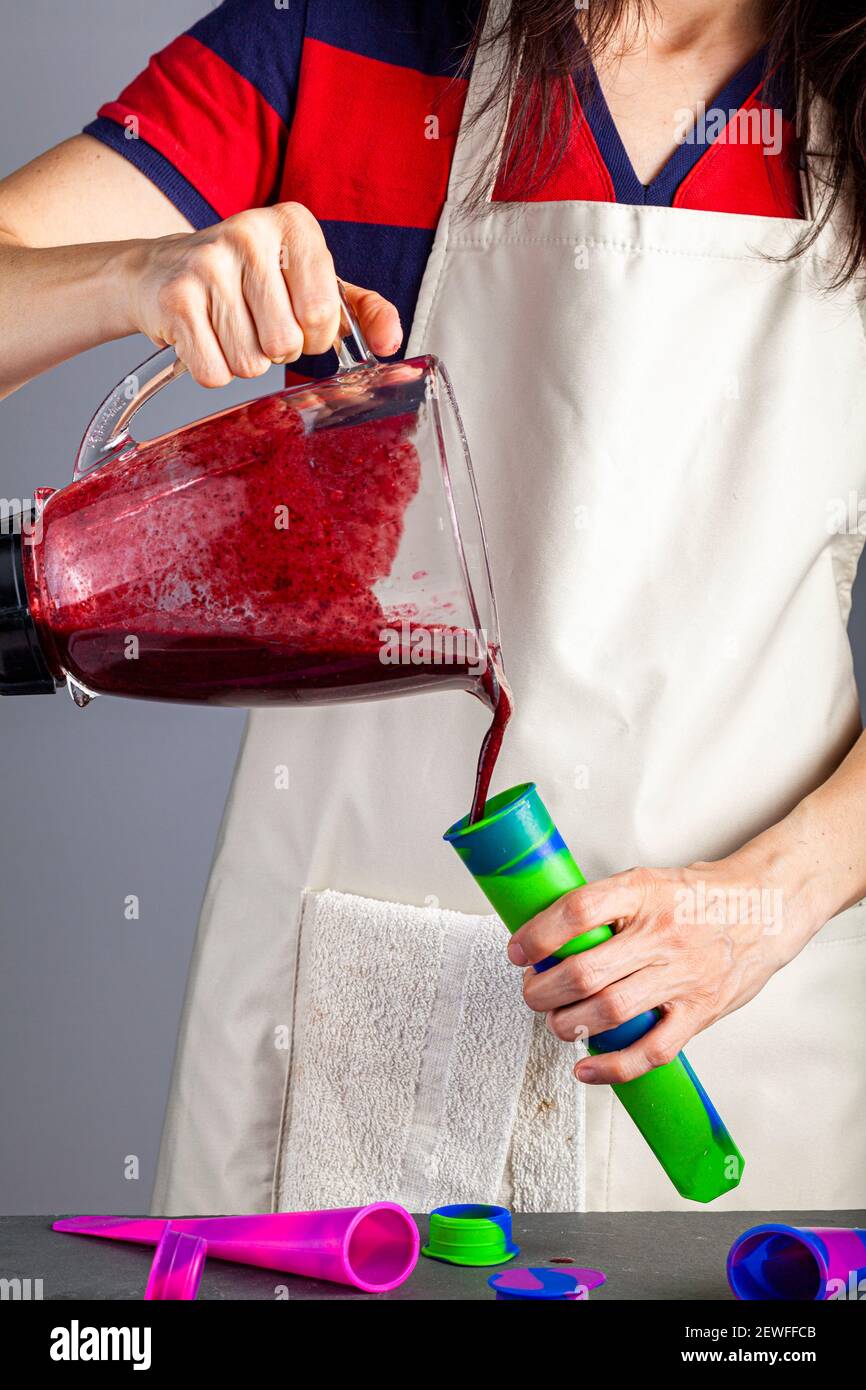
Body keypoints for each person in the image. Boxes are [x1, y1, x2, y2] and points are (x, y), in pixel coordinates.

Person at [2, 0, 865, 1214]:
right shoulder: (341, 39)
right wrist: (131, 271)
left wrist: (763, 904)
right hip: (351, 1010)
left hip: (745, 1023)